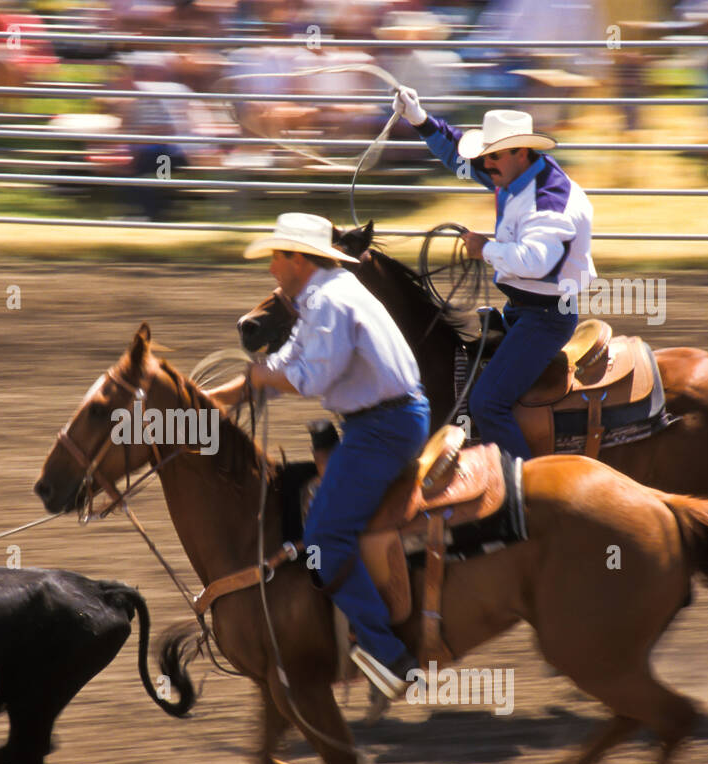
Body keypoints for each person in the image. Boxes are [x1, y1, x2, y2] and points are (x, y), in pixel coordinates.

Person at [206, 212, 429, 699]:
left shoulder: (328, 301)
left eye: (274, 257)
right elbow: (281, 367)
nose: (270, 269)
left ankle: (389, 656)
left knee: (325, 540)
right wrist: (211, 402)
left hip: (384, 429)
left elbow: (310, 380)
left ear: (297, 258)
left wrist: (259, 377)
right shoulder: (323, 297)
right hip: (381, 422)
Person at [393, 89, 596, 460]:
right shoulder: (513, 172)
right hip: (526, 310)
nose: (485, 165)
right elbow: (459, 154)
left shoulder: (549, 203)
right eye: (485, 156)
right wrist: (420, 118)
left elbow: (537, 263)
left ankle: (526, 487)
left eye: (494, 156)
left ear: (521, 151)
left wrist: (484, 249)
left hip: (545, 319)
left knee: (488, 403)